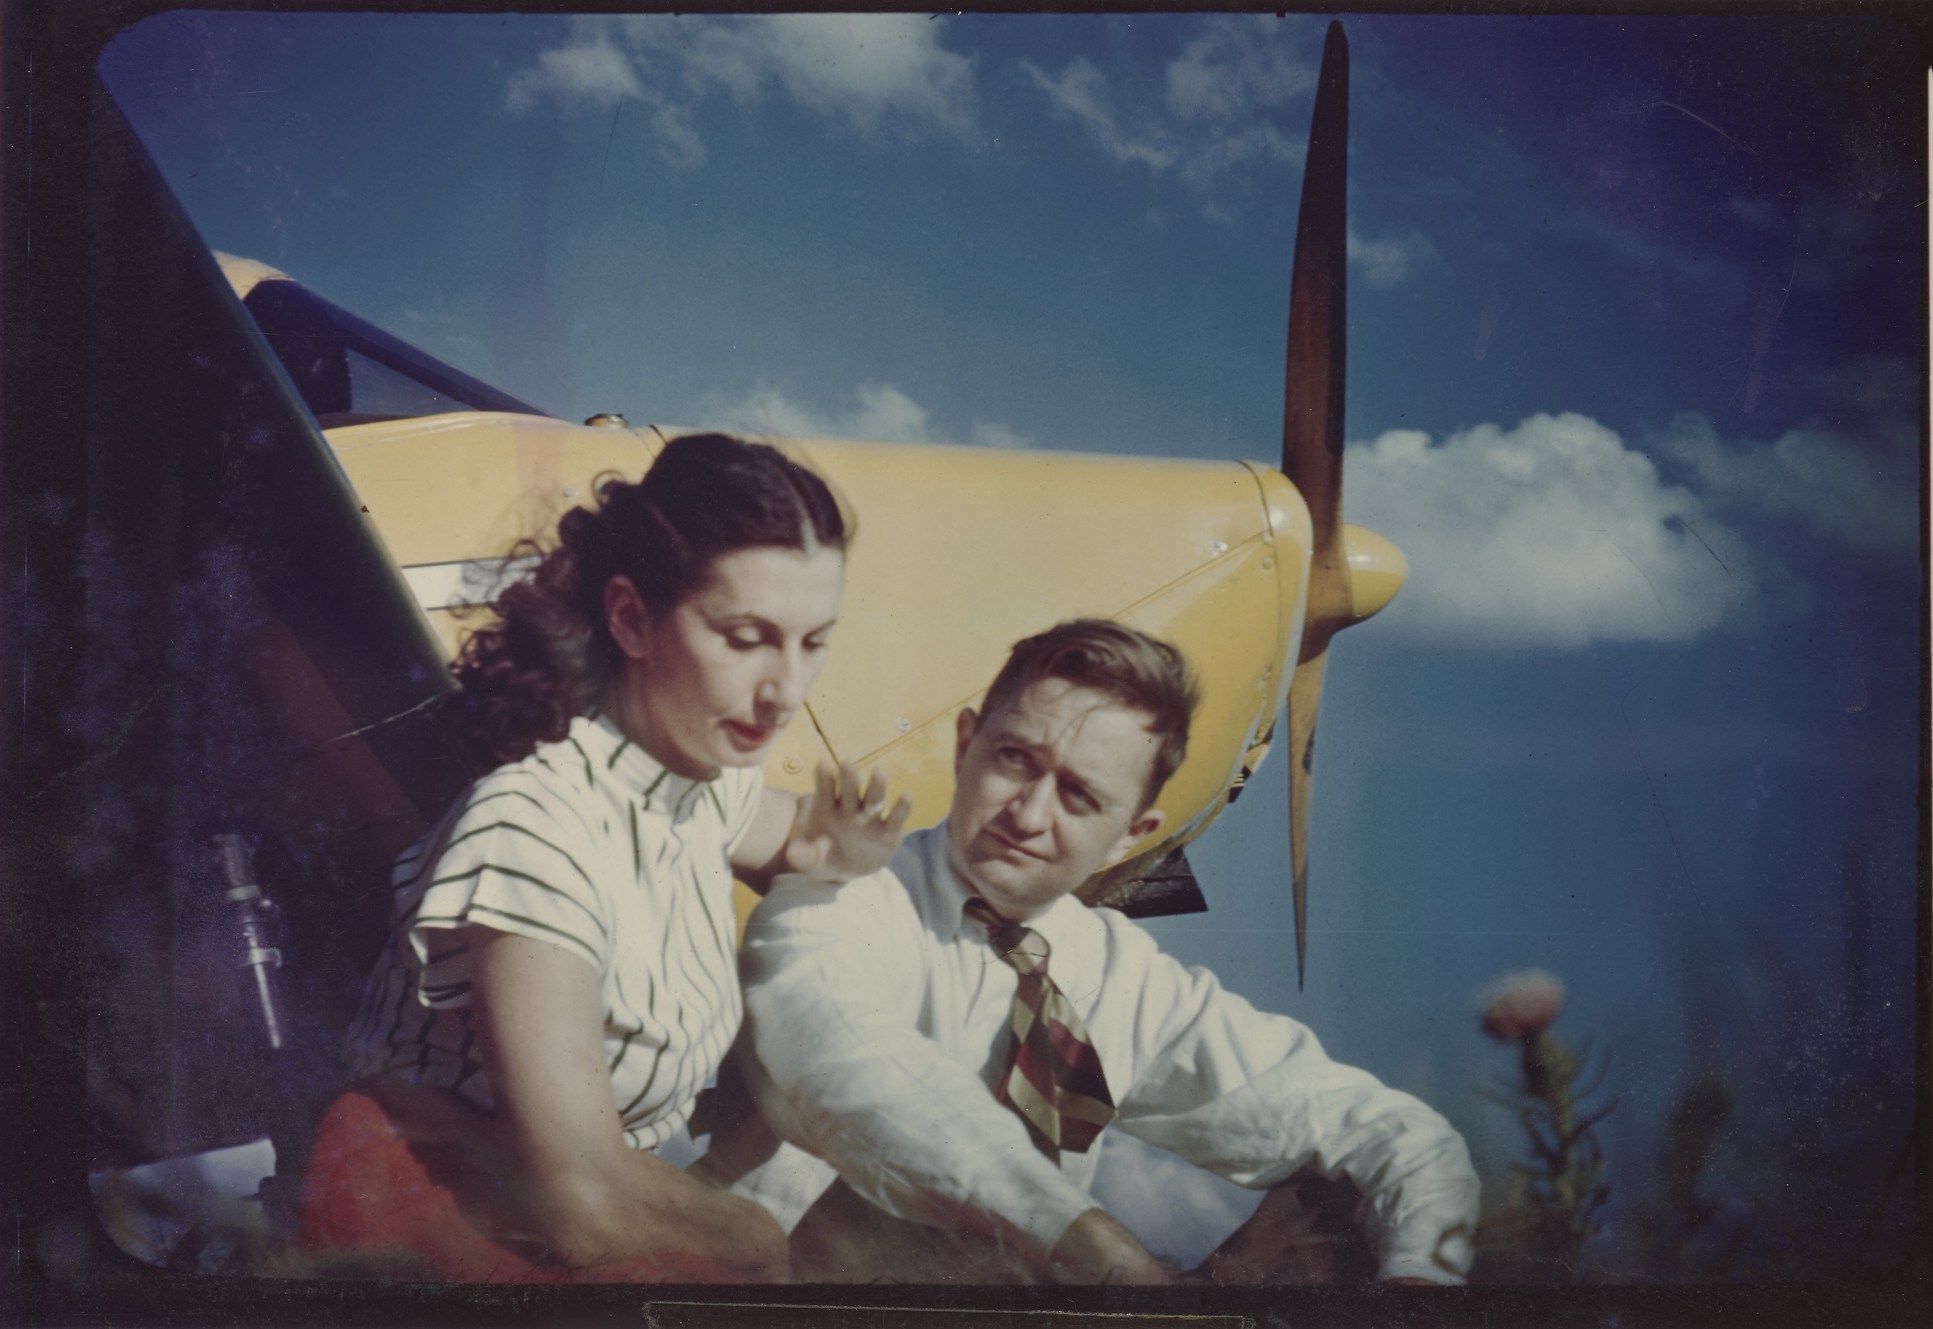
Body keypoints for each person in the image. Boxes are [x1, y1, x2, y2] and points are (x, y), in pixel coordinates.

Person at [298, 433, 910, 1283]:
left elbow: (803, 839)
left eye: (813, 642)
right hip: (426, 1216)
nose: (787, 690)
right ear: (629, 617)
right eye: (746, 636)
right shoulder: (536, 826)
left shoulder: (697, 782)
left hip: (555, 1209)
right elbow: (585, 1199)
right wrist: (763, 1242)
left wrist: (865, 854)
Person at [723, 619, 1479, 1285]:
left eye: (1080, 796)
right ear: (964, 745)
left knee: (1335, 1193)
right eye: (1014, 758)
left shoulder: (1119, 973)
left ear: (1133, 835)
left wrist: (1419, 1285)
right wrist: (1099, 1250)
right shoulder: (839, 896)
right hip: (773, 1298)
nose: (1027, 812)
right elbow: (860, 1077)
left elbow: (1397, 1133)